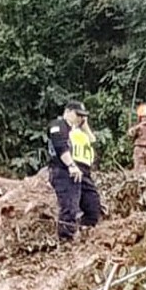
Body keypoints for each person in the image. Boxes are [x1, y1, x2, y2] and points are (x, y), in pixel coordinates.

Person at [48, 100, 103, 242]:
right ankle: (66, 241)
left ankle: (85, 235)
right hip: (65, 170)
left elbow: (93, 144)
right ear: (68, 112)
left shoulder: (80, 132)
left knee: (93, 206)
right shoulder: (59, 125)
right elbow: (60, 146)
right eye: (78, 115)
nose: (80, 118)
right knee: (70, 207)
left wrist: (85, 126)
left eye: (83, 116)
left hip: (83, 172)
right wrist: (71, 166)